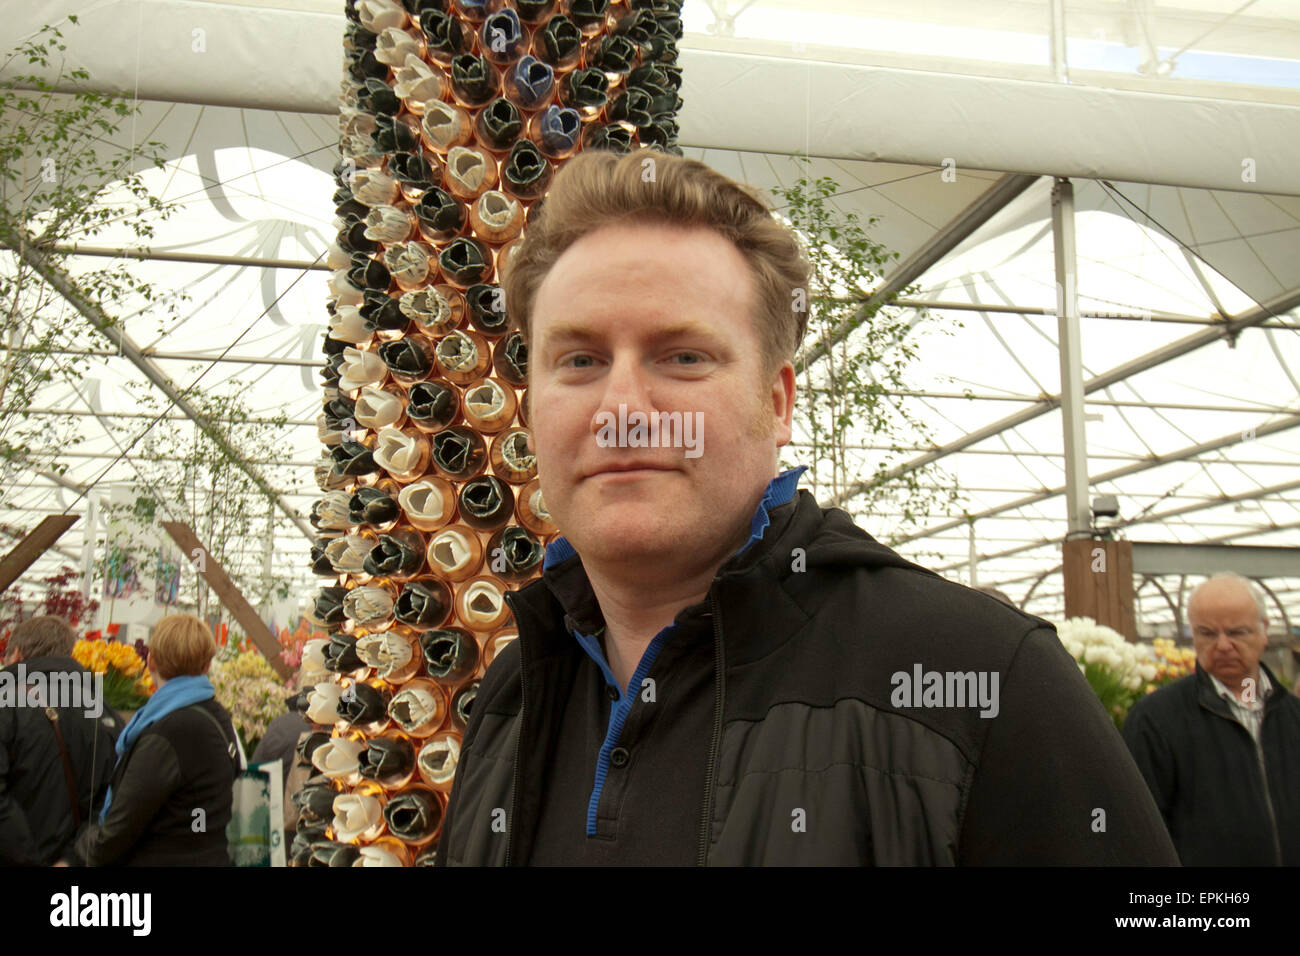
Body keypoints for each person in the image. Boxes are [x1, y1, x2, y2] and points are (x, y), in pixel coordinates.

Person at [435, 149, 1178, 866]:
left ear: (777, 401)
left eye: (684, 356)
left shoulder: (974, 678)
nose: (624, 409)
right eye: (580, 361)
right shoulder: (514, 699)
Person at [1123, 573, 1300, 865]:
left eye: (1237, 632)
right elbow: (1138, 831)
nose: (1222, 645)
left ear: (1263, 631)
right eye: (1207, 633)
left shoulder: (1293, 717)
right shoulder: (1155, 720)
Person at [76, 614, 241, 866]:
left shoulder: (168, 733)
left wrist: (82, 840)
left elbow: (117, 832)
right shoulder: (216, 714)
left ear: (150, 661)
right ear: (207, 666)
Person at [0, 616, 120, 866]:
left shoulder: (6, 703)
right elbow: (117, 798)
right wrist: (72, 858)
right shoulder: (104, 711)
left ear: (18, 655)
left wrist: (28, 859)